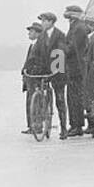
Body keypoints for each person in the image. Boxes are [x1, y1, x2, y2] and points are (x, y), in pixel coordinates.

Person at [36, 11, 70, 139]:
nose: (42, 23)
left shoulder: (60, 35)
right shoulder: (41, 36)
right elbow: (36, 53)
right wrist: (28, 67)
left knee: (60, 100)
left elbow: (61, 52)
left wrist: (56, 69)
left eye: (44, 21)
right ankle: (45, 124)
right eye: (42, 21)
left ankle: (63, 128)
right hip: (46, 70)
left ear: (51, 22)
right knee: (44, 97)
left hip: (58, 72)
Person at [64, 5, 88, 137]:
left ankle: (77, 126)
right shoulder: (76, 26)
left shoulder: (79, 28)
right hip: (73, 68)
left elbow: (72, 48)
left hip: (76, 68)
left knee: (75, 98)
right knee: (72, 97)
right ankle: (74, 124)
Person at [20, 20, 43, 134]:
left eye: (31, 32)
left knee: (36, 102)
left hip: (35, 77)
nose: (29, 34)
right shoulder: (33, 45)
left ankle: (37, 126)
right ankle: (31, 125)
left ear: (38, 33)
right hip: (30, 77)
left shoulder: (40, 45)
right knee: (30, 101)